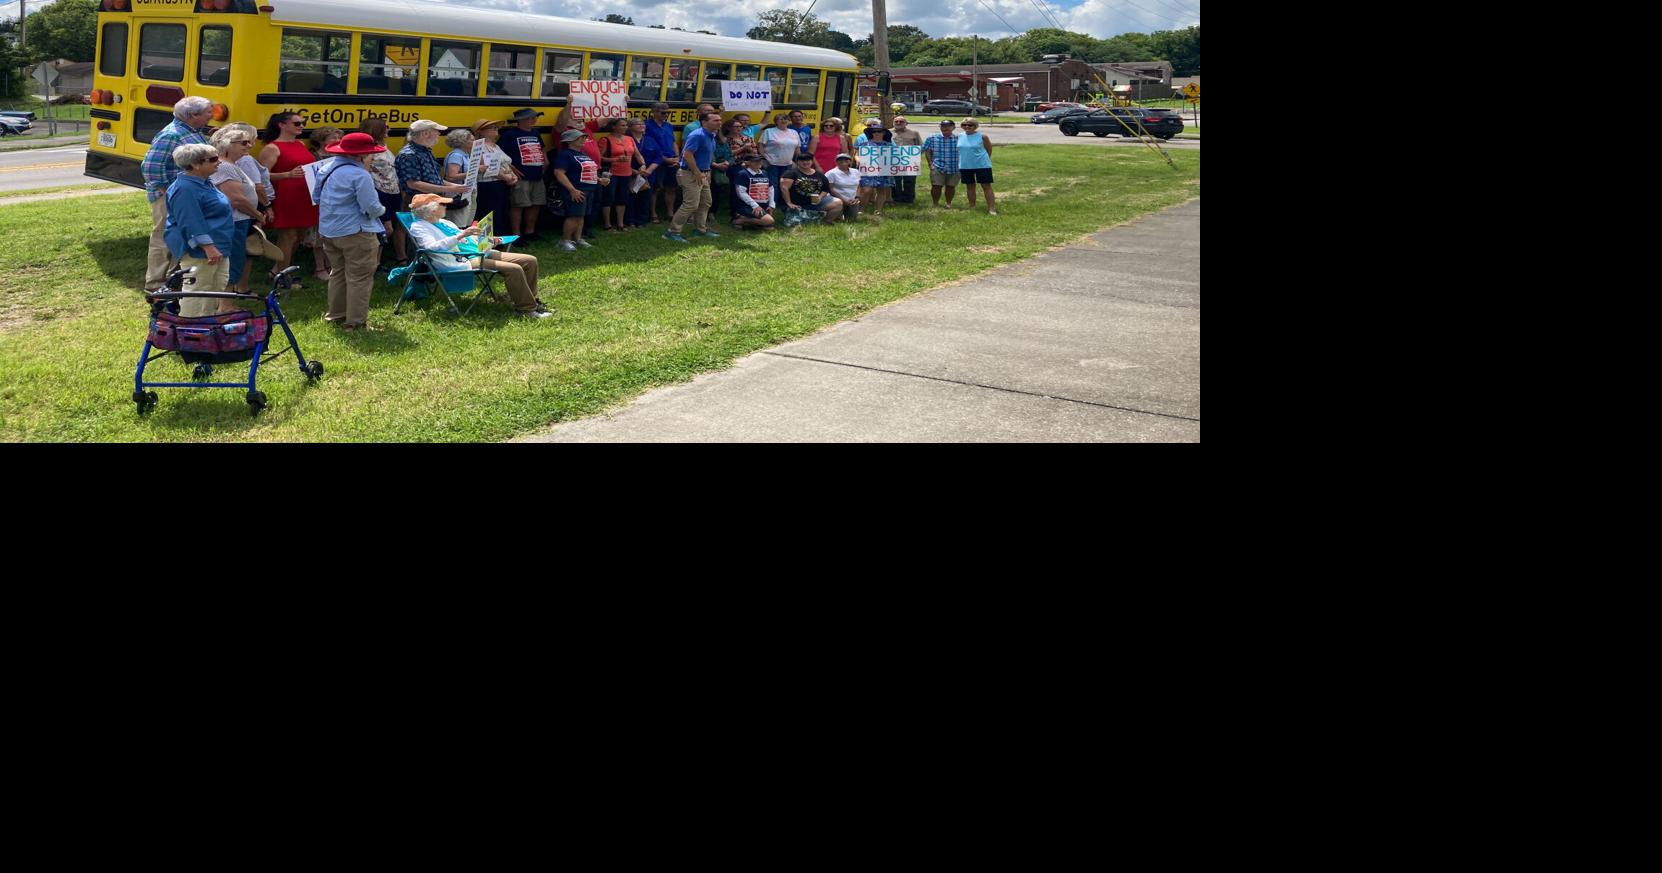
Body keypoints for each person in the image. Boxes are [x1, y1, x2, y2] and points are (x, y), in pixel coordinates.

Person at [406, 193, 550, 319]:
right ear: (431, 210)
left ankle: (532, 300)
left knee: (530, 261)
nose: (446, 206)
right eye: (442, 204)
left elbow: (465, 240)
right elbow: (431, 248)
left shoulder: (444, 222)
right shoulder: (419, 227)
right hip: (459, 260)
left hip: (476, 252)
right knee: (514, 269)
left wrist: (487, 240)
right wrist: (461, 234)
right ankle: (526, 310)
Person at [314, 132, 386, 330]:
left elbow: (317, 197)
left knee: (338, 272)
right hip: (357, 231)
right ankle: (355, 322)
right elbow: (370, 207)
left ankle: (336, 315)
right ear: (360, 155)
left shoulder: (325, 169)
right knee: (360, 277)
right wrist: (383, 210)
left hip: (330, 229)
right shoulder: (360, 174)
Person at [141, 96, 213, 293]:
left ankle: (174, 280)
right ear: (192, 115)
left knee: (180, 236)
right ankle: (155, 284)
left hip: (187, 195)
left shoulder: (192, 132)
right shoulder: (171, 135)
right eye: (208, 111)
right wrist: (164, 188)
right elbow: (150, 166)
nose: (212, 115)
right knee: (163, 237)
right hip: (170, 196)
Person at [162, 144, 236, 317]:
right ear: (195, 165)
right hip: (200, 252)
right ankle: (190, 331)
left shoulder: (204, 182)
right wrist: (208, 247)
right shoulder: (185, 189)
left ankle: (206, 327)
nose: (218, 162)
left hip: (219, 246)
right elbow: (190, 222)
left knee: (215, 288)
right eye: (212, 159)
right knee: (197, 291)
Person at [258, 111, 321, 287]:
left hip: (304, 195)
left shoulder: (300, 144)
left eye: (302, 123)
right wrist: (288, 174)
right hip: (285, 196)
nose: (302, 126)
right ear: (282, 125)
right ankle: (284, 278)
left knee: (299, 236)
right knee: (288, 236)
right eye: (297, 123)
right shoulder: (272, 148)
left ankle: (277, 270)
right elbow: (261, 176)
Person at [208, 126, 267, 299]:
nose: (249, 145)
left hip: (239, 220)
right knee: (232, 261)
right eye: (243, 142)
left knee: (236, 259)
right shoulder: (225, 167)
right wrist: (257, 215)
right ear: (227, 144)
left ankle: (226, 302)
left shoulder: (232, 165)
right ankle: (225, 304)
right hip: (234, 220)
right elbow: (236, 200)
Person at [663, 111, 721, 243]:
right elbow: (687, 155)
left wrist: (707, 172)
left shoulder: (712, 135)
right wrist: (697, 173)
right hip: (690, 173)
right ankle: (672, 232)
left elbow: (706, 156)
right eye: (715, 120)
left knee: (706, 202)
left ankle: (700, 229)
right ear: (704, 122)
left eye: (719, 120)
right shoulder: (697, 135)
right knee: (690, 205)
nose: (719, 122)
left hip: (703, 173)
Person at [358, 118, 407, 267]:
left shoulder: (384, 146)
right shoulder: (368, 149)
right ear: (376, 129)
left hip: (392, 191)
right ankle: (372, 261)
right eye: (386, 127)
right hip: (379, 191)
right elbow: (364, 171)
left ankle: (376, 261)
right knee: (385, 228)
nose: (389, 129)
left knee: (387, 228)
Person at [497, 108, 549, 241]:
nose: (533, 120)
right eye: (529, 118)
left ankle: (530, 231)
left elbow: (541, 148)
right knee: (518, 204)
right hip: (521, 175)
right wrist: (511, 168)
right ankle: (516, 234)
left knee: (536, 203)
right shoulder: (509, 134)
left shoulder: (536, 133)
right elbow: (498, 154)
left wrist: (545, 160)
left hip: (537, 174)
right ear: (519, 121)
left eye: (534, 118)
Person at [550, 128, 598, 252]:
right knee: (573, 216)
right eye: (580, 138)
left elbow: (586, 171)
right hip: (576, 189)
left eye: (584, 137)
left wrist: (599, 179)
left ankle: (577, 239)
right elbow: (559, 172)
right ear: (570, 140)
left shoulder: (582, 154)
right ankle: (564, 240)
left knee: (581, 215)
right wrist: (572, 190)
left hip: (588, 189)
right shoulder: (565, 154)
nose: (584, 140)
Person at [470, 119, 518, 232]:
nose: (496, 129)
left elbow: (506, 163)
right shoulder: (479, 146)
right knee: (489, 212)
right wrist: (506, 178)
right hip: (488, 184)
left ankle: (499, 238)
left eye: (496, 127)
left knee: (501, 211)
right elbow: (488, 166)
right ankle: (487, 239)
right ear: (481, 131)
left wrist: (513, 175)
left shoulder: (496, 146)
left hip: (501, 183)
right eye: (492, 128)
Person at [597, 116, 642, 232]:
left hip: (626, 173)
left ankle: (620, 223)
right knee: (608, 198)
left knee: (622, 198)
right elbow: (599, 157)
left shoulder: (629, 139)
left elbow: (636, 154)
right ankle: (607, 224)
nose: (625, 127)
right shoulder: (606, 140)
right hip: (611, 173)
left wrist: (643, 164)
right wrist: (615, 160)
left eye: (626, 125)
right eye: (622, 125)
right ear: (613, 127)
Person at [642, 103, 680, 223]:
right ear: (654, 112)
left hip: (671, 160)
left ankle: (670, 212)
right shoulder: (647, 126)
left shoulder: (668, 125)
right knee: (655, 188)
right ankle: (653, 213)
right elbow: (649, 145)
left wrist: (677, 156)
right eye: (663, 112)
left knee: (671, 187)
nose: (666, 115)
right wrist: (663, 158)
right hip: (656, 161)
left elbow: (673, 142)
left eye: (668, 112)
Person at [780, 152, 842, 220]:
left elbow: (825, 189)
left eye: (808, 160)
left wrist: (820, 197)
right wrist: (789, 203)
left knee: (838, 203)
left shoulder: (819, 174)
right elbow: (784, 188)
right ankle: (811, 217)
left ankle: (826, 222)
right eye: (802, 160)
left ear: (812, 161)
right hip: (796, 204)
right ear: (797, 161)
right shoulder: (791, 173)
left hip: (815, 203)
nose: (805, 162)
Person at [957, 117, 997, 215]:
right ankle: (972, 206)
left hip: (982, 165)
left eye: (970, 125)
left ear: (975, 126)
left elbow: (989, 150)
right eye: (964, 125)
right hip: (965, 165)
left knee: (986, 186)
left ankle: (991, 209)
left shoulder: (982, 136)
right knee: (970, 187)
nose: (967, 126)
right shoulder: (960, 136)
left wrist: (985, 160)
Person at [728, 152, 776, 230]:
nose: (759, 162)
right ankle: (741, 220)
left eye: (760, 160)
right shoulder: (743, 174)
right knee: (769, 221)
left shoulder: (764, 173)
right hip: (747, 206)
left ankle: (748, 220)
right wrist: (755, 205)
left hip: (763, 205)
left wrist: (771, 204)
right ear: (747, 163)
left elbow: (770, 188)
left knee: (769, 226)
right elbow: (741, 193)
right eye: (756, 161)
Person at [855, 122, 895, 215]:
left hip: (884, 171)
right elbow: (857, 154)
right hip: (867, 170)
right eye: (874, 131)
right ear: (871, 133)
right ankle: (861, 209)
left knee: (881, 190)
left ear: (884, 133)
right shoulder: (864, 144)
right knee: (866, 190)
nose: (877, 133)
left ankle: (878, 210)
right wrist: (859, 160)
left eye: (879, 131)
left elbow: (895, 156)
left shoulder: (889, 145)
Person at [441, 127, 476, 226]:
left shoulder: (465, 154)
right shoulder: (456, 155)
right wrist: (475, 171)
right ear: (462, 141)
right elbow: (451, 176)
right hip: (457, 194)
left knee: (466, 223)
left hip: (468, 192)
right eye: (472, 140)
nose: (475, 142)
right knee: (458, 224)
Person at [922, 119, 961, 207]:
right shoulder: (931, 138)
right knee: (936, 186)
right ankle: (935, 203)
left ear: (953, 127)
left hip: (954, 166)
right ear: (940, 127)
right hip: (937, 166)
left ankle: (948, 203)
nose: (945, 128)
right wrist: (930, 163)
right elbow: (926, 150)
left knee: (951, 186)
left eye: (948, 126)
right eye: (943, 126)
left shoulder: (959, 138)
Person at [626, 117, 656, 228]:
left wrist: (649, 169)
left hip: (647, 173)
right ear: (630, 127)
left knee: (645, 197)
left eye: (642, 124)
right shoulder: (627, 139)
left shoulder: (650, 139)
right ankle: (630, 220)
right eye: (637, 124)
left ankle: (642, 220)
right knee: (631, 197)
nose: (641, 125)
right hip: (630, 172)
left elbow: (658, 156)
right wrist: (632, 170)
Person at [759, 112, 799, 191]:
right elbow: (760, 145)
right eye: (781, 119)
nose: (783, 121)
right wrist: (764, 158)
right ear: (776, 121)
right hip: (772, 163)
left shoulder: (794, 132)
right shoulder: (769, 131)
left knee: (785, 185)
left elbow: (797, 148)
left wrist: (798, 161)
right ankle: (773, 202)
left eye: (786, 119)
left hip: (788, 164)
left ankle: (783, 202)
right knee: (773, 185)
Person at [889, 116, 923, 204]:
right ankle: (897, 199)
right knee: (896, 181)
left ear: (906, 123)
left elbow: (920, 146)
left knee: (910, 180)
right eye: (896, 121)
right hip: (893, 161)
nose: (898, 123)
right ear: (893, 122)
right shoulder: (888, 132)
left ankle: (908, 199)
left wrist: (916, 157)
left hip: (910, 161)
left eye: (901, 121)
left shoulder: (914, 133)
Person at [822, 153, 862, 221]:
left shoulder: (856, 172)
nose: (843, 162)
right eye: (840, 160)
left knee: (851, 220)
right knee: (838, 220)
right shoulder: (831, 173)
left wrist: (857, 197)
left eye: (846, 160)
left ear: (850, 161)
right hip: (837, 199)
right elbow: (830, 189)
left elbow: (859, 185)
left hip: (852, 200)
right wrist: (844, 200)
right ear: (836, 162)